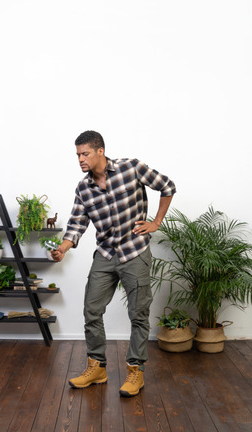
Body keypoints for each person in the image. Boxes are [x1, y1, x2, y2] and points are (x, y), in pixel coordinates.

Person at [51, 130, 176, 397]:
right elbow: (76, 224)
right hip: (106, 255)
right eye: (77, 155)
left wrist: (156, 222)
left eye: (84, 154)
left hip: (135, 253)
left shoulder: (131, 168)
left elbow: (168, 186)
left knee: (138, 314)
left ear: (100, 151)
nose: (80, 159)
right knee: (91, 310)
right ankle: (97, 367)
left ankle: (135, 372)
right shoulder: (84, 188)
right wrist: (62, 249)